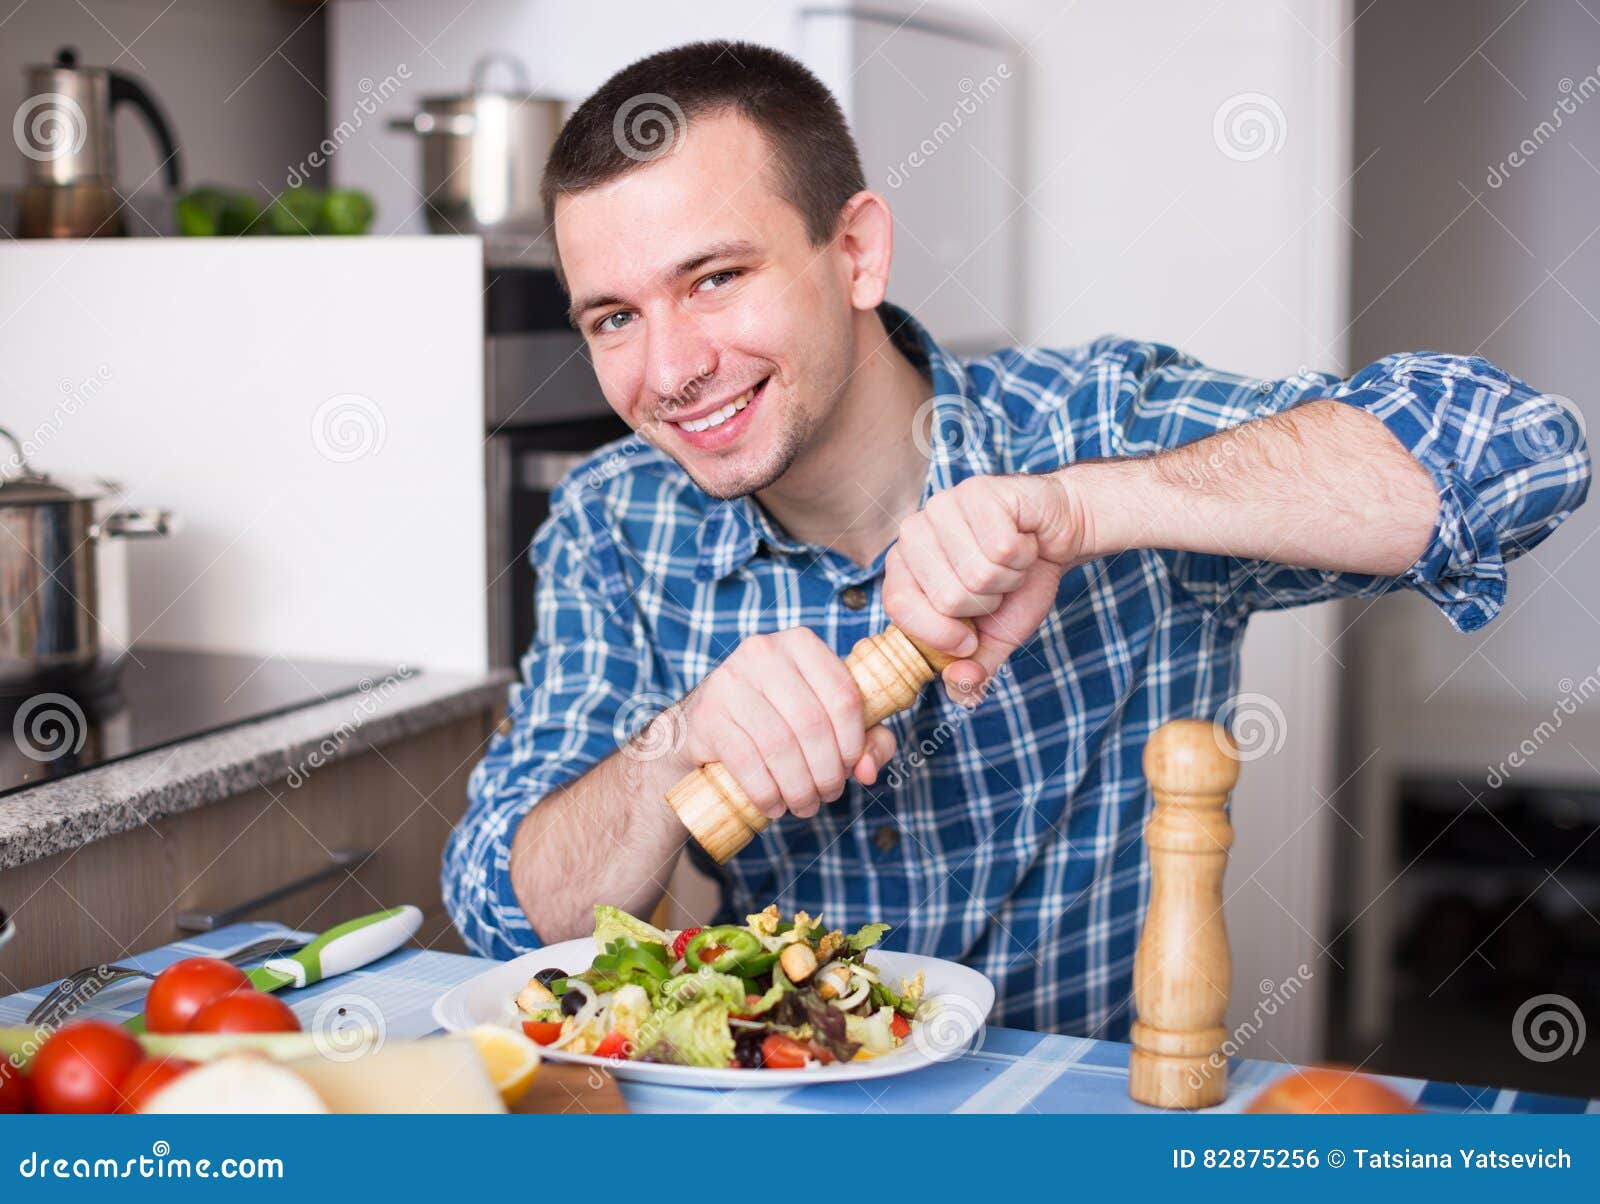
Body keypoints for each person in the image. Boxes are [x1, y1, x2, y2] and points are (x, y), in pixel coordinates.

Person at [443, 40, 1590, 1037]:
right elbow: (500, 910)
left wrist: (1089, 510)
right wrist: (673, 747)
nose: (668, 370)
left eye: (714, 278)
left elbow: (1520, 454)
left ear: (856, 252)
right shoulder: (613, 517)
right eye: (615, 317)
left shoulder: (1092, 427)